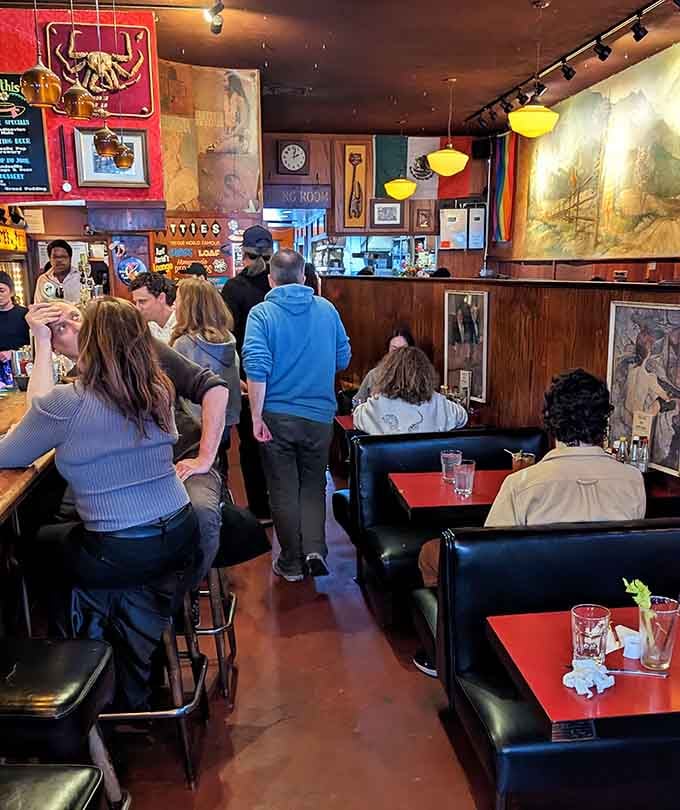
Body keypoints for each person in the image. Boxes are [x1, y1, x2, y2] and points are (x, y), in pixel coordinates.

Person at [0, 298, 200, 710]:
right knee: (54, 541)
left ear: (88, 343)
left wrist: (40, 342)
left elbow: (11, 453)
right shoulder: (157, 388)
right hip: (181, 533)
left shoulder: (68, 402)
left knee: (32, 548)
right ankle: (118, 647)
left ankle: (73, 665)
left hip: (122, 548)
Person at [24, 300, 229, 595]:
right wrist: (41, 343)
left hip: (183, 458)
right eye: (61, 328)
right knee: (64, 515)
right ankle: (120, 606)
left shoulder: (139, 350)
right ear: (55, 346)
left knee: (199, 513)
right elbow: (39, 416)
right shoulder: (73, 384)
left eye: (76, 316)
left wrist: (205, 457)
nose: (77, 326)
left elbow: (214, 388)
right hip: (133, 481)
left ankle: (179, 597)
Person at [243, 249, 351, 581]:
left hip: (276, 415)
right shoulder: (327, 310)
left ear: (270, 279)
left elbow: (256, 367)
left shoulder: (261, 314)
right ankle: (315, 549)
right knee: (314, 485)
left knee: (283, 489)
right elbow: (343, 359)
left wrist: (256, 415)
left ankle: (291, 562)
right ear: (304, 277)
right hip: (319, 417)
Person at [221, 225, 276, 521]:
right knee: (280, 444)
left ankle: (261, 508)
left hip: (248, 377)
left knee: (252, 445)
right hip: (283, 377)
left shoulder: (234, 288)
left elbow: (228, 338)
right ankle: (283, 506)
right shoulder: (283, 283)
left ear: (243, 254)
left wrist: (236, 376)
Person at [171, 277, 241, 473]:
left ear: (189, 307)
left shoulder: (184, 344)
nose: (174, 305)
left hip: (196, 424)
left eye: (178, 300)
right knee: (221, 466)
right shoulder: (228, 340)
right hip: (225, 421)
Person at [353, 347, 467, 434]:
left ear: (388, 373)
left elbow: (357, 417)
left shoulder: (376, 404)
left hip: (386, 464)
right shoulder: (439, 402)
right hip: (433, 464)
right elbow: (463, 417)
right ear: (426, 374)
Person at [355, 326, 415, 403]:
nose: (399, 354)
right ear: (388, 351)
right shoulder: (374, 375)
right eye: (394, 349)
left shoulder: (418, 376)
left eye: (403, 350)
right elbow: (357, 402)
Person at [130, 272, 177, 344]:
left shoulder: (183, 326)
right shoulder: (146, 329)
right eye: (135, 302)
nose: (137, 308)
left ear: (161, 298)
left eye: (142, 301)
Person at [34, 239, 81, 304]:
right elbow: (38, 305)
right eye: (55, 257)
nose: (59, 260)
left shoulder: (81, 277)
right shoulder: (43, 280)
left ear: (70, 258)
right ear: (50, 259)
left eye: (63, 257)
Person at [0, 270, 29, 355]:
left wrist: (14, 354)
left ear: (11, 291)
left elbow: (34, 345)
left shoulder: (25, 314)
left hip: (21, 363)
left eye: (1, 291)